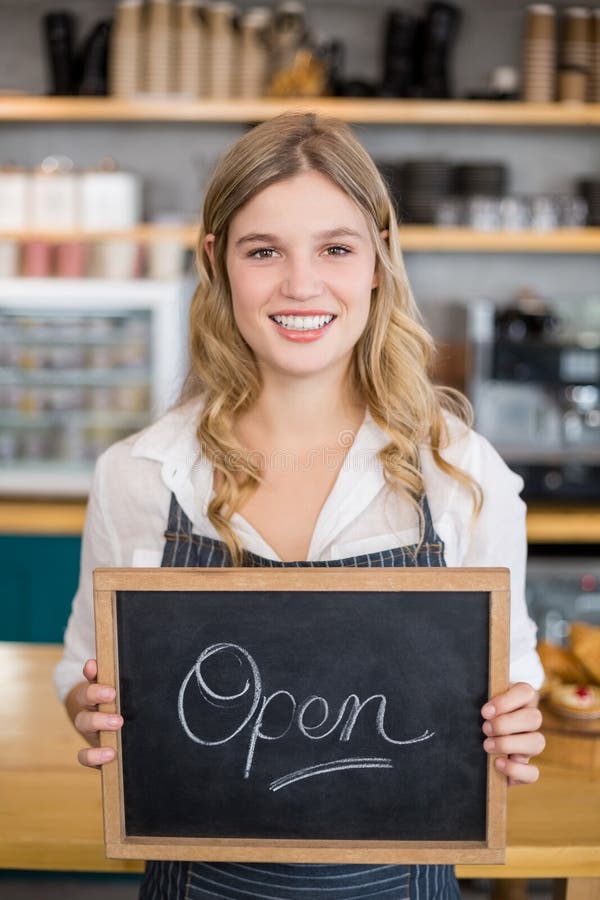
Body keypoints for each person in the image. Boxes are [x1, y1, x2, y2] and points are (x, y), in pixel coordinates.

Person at [55, 112, 545, 900]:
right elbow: (82, 667)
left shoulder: (459, 474)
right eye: (263, 251)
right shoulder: (140, 476)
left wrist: (518, 724)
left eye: (336, 249)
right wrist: (92, 706)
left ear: (380, 258)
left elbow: (514, 680)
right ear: (216, 262)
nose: (302, 284)